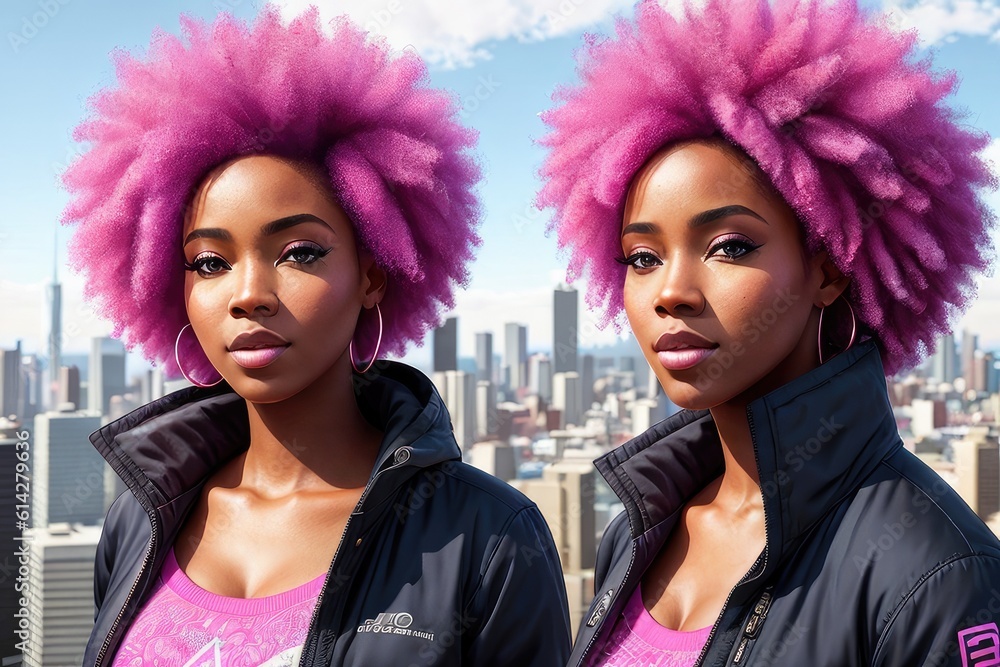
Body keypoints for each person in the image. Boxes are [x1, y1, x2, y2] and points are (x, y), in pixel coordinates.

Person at [63, 8, 570, 666]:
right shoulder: (140, 518)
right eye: (210, 262)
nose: (248, 293)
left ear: (372, 274)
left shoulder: (490, 538)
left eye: (299, 252)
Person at [538, 0, 1000, 665]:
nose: (670, 291)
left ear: (829, 268)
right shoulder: (636, 533)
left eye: (727, 246)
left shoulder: (937, 575)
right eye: (643, 256)